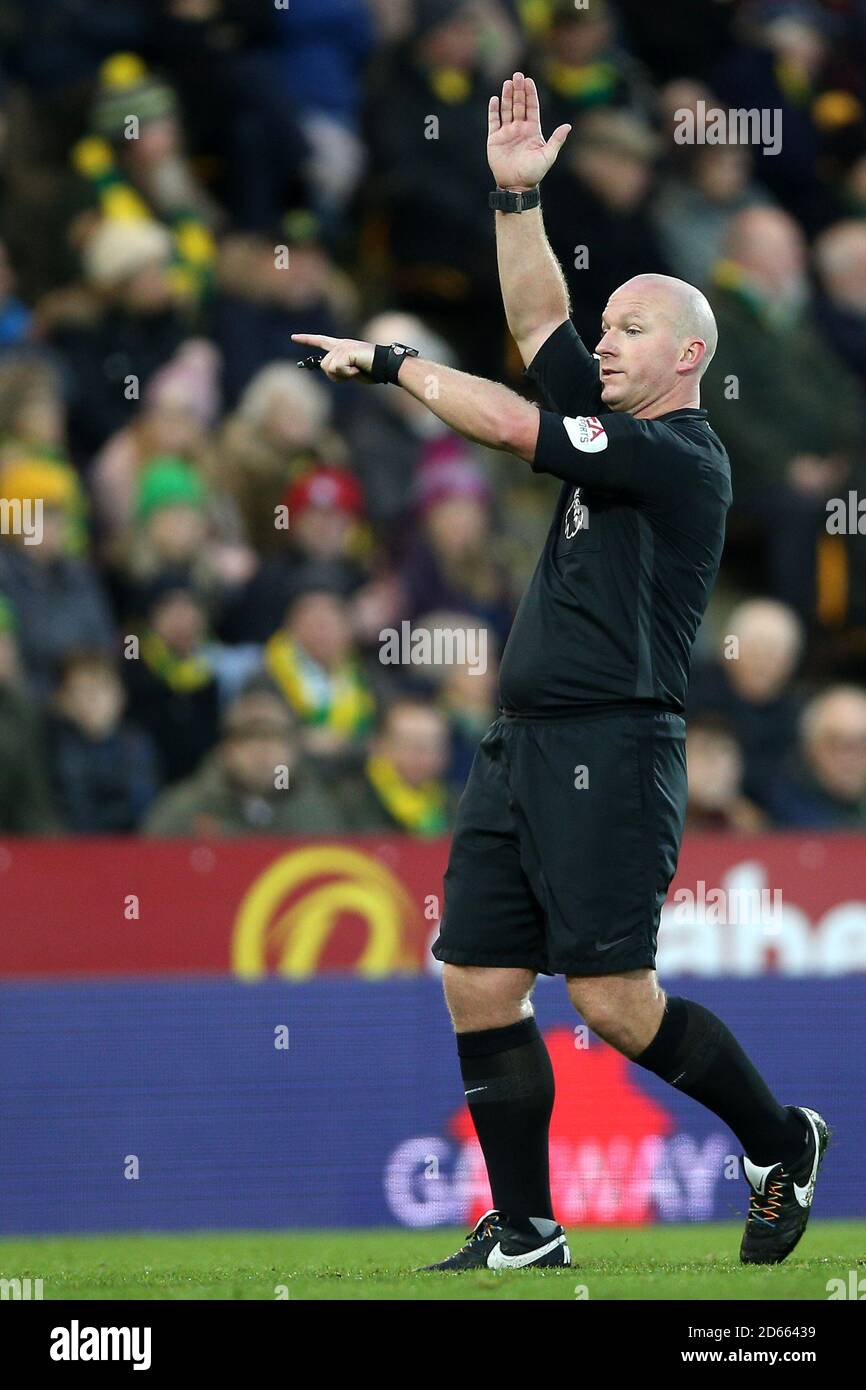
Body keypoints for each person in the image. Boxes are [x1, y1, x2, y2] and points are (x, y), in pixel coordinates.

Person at [292, 71, 830, 1272]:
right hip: (522, 738)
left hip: (612, 741)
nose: (604, 340)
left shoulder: (679, 458)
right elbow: (540, 331)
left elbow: (505, 419)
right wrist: (512, 196)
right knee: (474, 974)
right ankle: (526, 1228)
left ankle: (777, 1136)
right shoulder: (610, 420)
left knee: (610, 1002)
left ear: (686, 352)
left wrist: (394, 364)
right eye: (610, 326)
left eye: (629, 327)